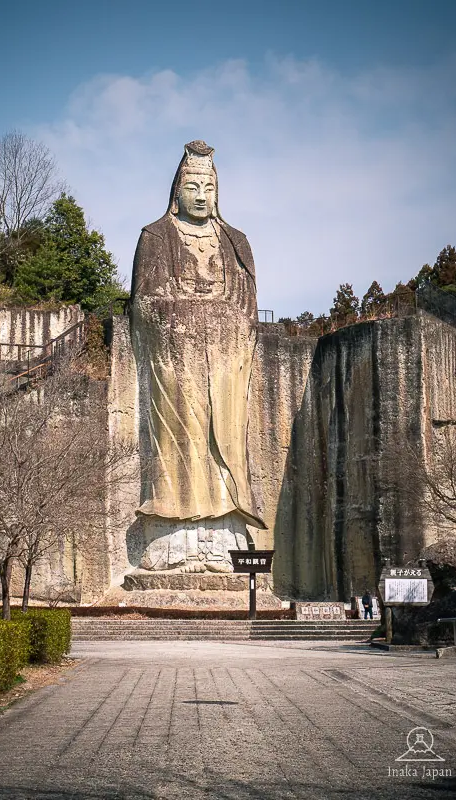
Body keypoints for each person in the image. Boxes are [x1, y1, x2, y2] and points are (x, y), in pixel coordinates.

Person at [130, 140, 267, 572]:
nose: (202, 195)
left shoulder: (236, 241)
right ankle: (173, 535)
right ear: (177, 190)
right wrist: (187, 315)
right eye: (193, 185)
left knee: (225, 437)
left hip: (226, 358)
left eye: (209, 185)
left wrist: (221, 320)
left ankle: (222, 535)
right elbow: (144, 303)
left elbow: (247, 307)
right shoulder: (155, 236)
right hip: (176, 357)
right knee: (177, 438)